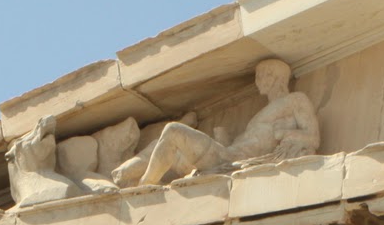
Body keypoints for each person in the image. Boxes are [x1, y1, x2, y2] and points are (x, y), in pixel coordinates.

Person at [135, 58, 319, 186]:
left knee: (173, 130)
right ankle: (125, 180)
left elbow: (313, 138)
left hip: (228, 159)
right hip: (226, 156)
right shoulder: (262, 115)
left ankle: (145, 185)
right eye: (258, 75)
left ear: (278, 78)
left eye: (264, 75)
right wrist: (226, 138)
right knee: (157, 145)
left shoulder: (295, 100)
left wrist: (285, 134)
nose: (258, 80)